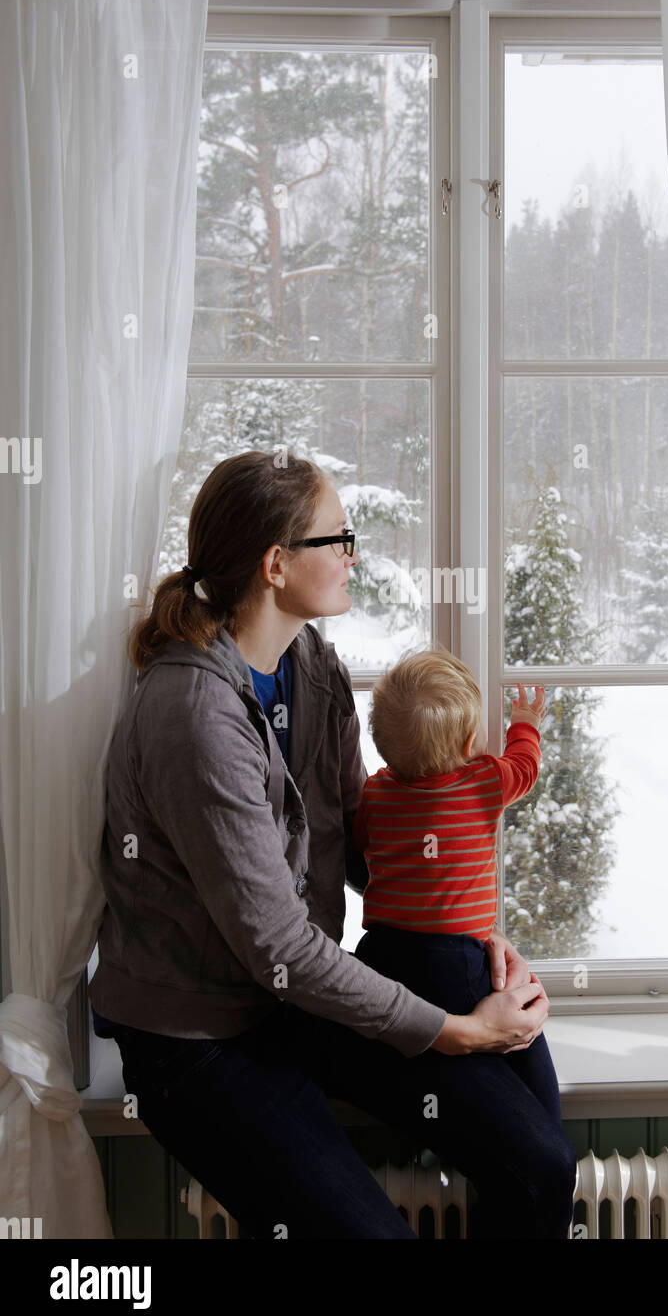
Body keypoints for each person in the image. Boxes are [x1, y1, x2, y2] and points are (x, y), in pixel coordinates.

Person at [88, 449, 577, 1239]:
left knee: (540, 1164)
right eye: (336, 538)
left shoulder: (310, 665)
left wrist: (470, 945)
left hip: (293, 1000)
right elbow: (274, 939)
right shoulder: (194, 718)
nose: (353, 554)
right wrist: (460, 1030)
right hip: (200, 1043)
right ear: (276, 565)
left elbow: (361, 844)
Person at [353, 649, 562, 1122]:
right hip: (457, 961)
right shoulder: (484, 781)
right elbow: (524, 767)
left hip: (382, 957)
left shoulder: (376, 792)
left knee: (415, 1062)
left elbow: (363, 842)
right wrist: (524, 723)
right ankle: (547, 1124)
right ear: (471, 742)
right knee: (519, 1038)